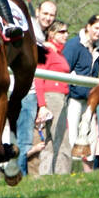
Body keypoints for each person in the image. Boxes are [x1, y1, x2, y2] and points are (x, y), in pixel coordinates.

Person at [62, 14, 99, 173]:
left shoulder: (98, 48)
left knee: (91, 135)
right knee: (73, 133)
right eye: (96, 28)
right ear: (88, 27)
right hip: (74, 98)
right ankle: (73, 170)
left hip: (90, 100)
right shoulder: (74, 45)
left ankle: (89, 173)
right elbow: (65, 69)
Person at [33, 20, 71, 175]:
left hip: (61, 97)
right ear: (52, 34)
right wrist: (42, 105)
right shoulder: (47, 51)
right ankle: (63, 175)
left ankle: (46, 174)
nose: (66, 35)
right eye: (62, 32)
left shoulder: (59, 53)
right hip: (52, 97)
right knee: (61, 138)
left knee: (50, 140)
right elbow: (39, 78)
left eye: (67, 31)